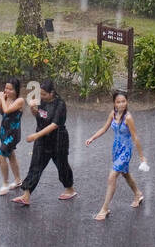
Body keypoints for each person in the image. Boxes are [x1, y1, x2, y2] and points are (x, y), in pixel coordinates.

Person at [11, 79, 75, 206]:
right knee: (35, 165)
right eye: (40, 94)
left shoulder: (60, 104)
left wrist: (35, 135)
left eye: (44, 94)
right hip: (42, 139)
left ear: (52, 93)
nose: (42, 96)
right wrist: (33, 109)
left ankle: (70, 189)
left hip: (58, 140)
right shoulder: (41, 101)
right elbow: (39, 116)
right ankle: (26, 195)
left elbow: (54, 124)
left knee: (62, 166)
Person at [85, 90, 145, 220]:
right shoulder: (112, 114)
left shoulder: (128, 118)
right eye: (118, 102)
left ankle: (104, 209)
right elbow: (104, 128)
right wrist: (92, 138)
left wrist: (141, 157)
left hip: (126, 150)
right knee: (125, 174)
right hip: (116, 149)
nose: (121, 104)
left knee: (112, 177)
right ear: (114, 103)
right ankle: (138, 194)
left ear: (127, 102)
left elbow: (135, 137)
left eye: (123, 101)